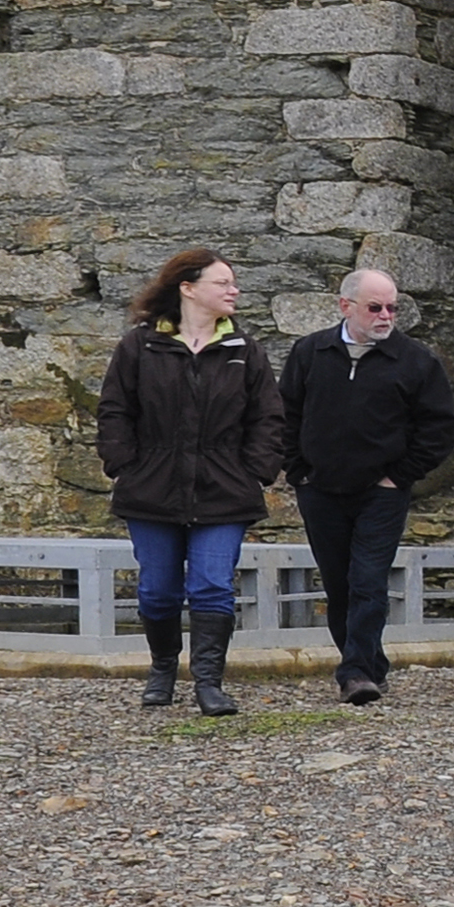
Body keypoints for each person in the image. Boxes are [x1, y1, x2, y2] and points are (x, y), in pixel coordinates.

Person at [94, 247, 283, 717]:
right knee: (157, 589)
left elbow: (268, 417)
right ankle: (162, 667)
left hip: (224, 490)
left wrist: (256, 470)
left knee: (212, 586)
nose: (234, 290)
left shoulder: (245, 351)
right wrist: (124, 464)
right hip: (151, 488)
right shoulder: (139, 347)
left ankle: (208, 682)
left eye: (233, 282)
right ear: (188, 288)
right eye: (223, 282)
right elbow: (115, 410)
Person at [277, 265, 454, 705]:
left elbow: (439, 429)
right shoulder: (311, 352)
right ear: (346, 306)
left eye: (392, 308)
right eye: (375, 307)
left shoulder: (416, 361)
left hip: (381, 492)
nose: (385, 317)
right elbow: (286, 414)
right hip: (320, 489)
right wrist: (298, 469)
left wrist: (399, 476)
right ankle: (369, 662)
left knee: (368, 579)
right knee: (339, 583)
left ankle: (355, 672)